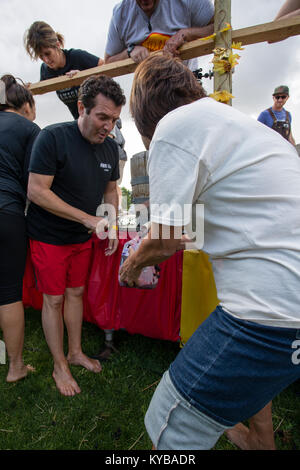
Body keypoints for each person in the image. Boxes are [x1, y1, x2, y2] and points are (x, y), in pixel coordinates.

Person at [120, 54, 300, 450]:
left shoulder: (173, 126)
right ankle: (259, 442)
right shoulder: (248, 130)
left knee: (167, 421)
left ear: (145, 116)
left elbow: (165, 240)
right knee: (246, 376)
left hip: (270, 313)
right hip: (286, 306)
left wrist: (131, 267)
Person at [26, 75, 126, 397]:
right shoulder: (52, 138)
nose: (108, 126)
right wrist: (87, 218)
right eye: (102, 117)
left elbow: (111, 191)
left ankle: (75, 352)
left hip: (81, 241)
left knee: (76, 294)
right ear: (81, 108)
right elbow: (37, 191)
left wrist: (110, 222)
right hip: (48, 237)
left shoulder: (111, 148)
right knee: (53, 299)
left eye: (113, 119)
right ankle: (59, 365)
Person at [0, 75, 40, 383]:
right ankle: (15, 367)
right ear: (26, 105)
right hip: (6, 209)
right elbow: (34, 185)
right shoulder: (29, 129)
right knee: (9, 292)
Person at [104, 0, 214, 71]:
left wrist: (186, 34)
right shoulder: (120, 13)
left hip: (187, 82)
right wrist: (129, 51)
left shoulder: (188, 2)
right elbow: (108, 62)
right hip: (148, 92)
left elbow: (219, 27)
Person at [24, 21, 104, 119]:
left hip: (103, 116)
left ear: (57, 45)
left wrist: (84, 76)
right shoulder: (46, 70)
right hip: (81, 122)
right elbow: (42, 89)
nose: (46, 60)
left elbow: (105, 67)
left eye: (48, 53)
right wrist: (30, 88)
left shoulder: (76, 57)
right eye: (41, 56)